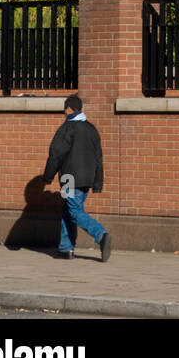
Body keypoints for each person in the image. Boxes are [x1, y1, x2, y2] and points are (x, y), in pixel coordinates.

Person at [43, 94, 112, 261]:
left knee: (74, 211)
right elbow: (98, 157)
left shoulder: (67, 128)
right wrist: (97, 182)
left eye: (64, 110)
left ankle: (101, 235)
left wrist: (48, 176)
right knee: (68, 209)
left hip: (69, 177)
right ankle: (66, 248)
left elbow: (56, 154)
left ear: (69, 109)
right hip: (87, 178)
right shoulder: (91, 129)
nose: (63, 113)